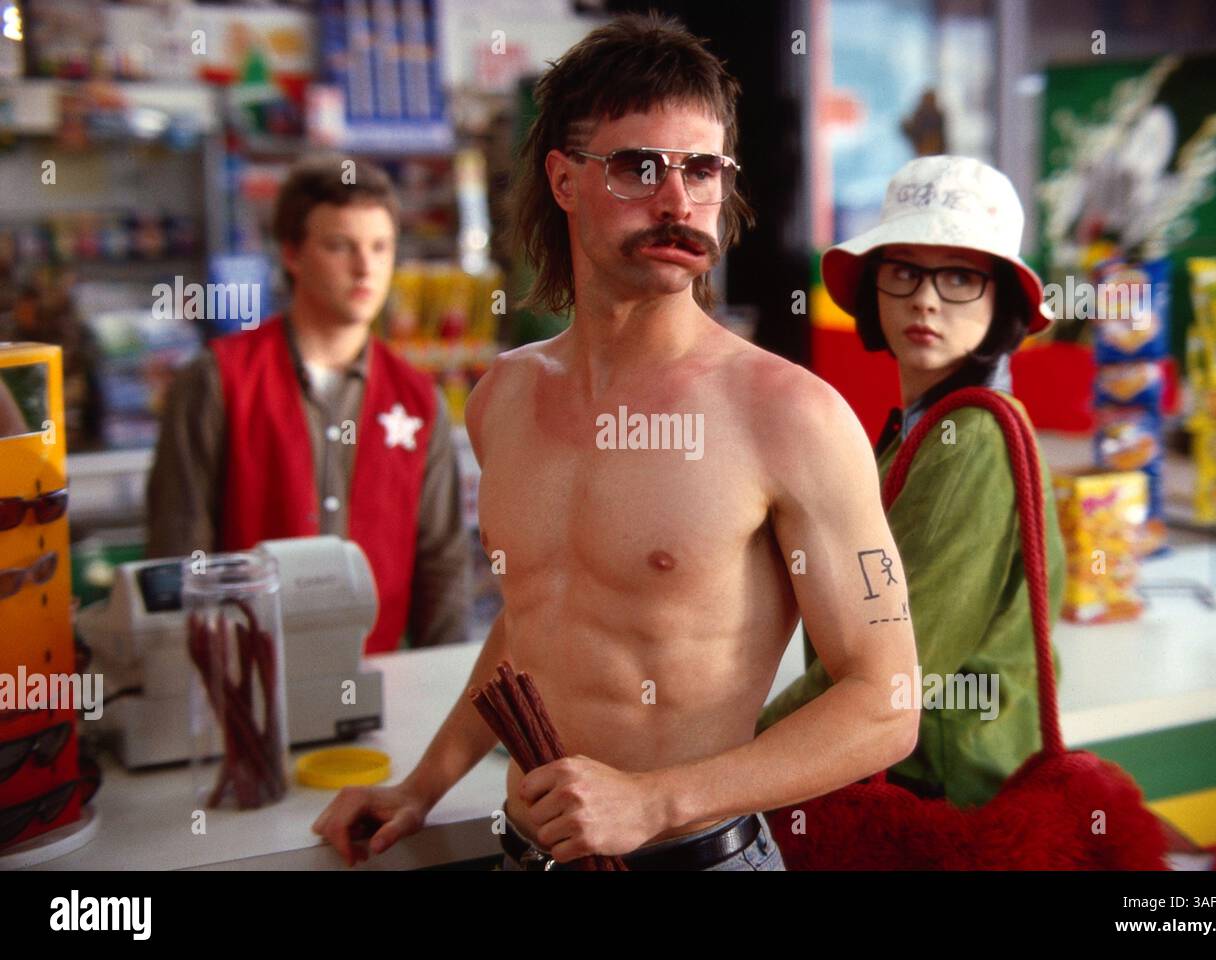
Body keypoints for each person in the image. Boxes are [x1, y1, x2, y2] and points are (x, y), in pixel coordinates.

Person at [311, 13, 919, 871]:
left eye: (702, 169)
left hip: (694, 857)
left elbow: (887, 702)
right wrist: (423, 784)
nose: (677, 201)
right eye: (639, 167)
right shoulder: (505, 399)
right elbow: (532, 625)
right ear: (563, 178)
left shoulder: (790, 415)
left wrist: (654, 799)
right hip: (527, 850)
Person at [758, 155, 1067, 810]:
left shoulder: (976, 440)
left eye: (960, 276)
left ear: (1001, 300)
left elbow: (898, 670)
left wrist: (734, 756)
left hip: (941, 796)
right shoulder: (919, 429)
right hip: (901, 773)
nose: (926, 298)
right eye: (904, 272)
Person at [147, 157, 470, 652]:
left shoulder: (419, 399)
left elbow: (442, 565)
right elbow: (178, 549)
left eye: (380, 247)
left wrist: (447, 689)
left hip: (380, 680)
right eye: (340, 246)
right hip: (243, 685)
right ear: (293, 254)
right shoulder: (217, 380)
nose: (366, 268)